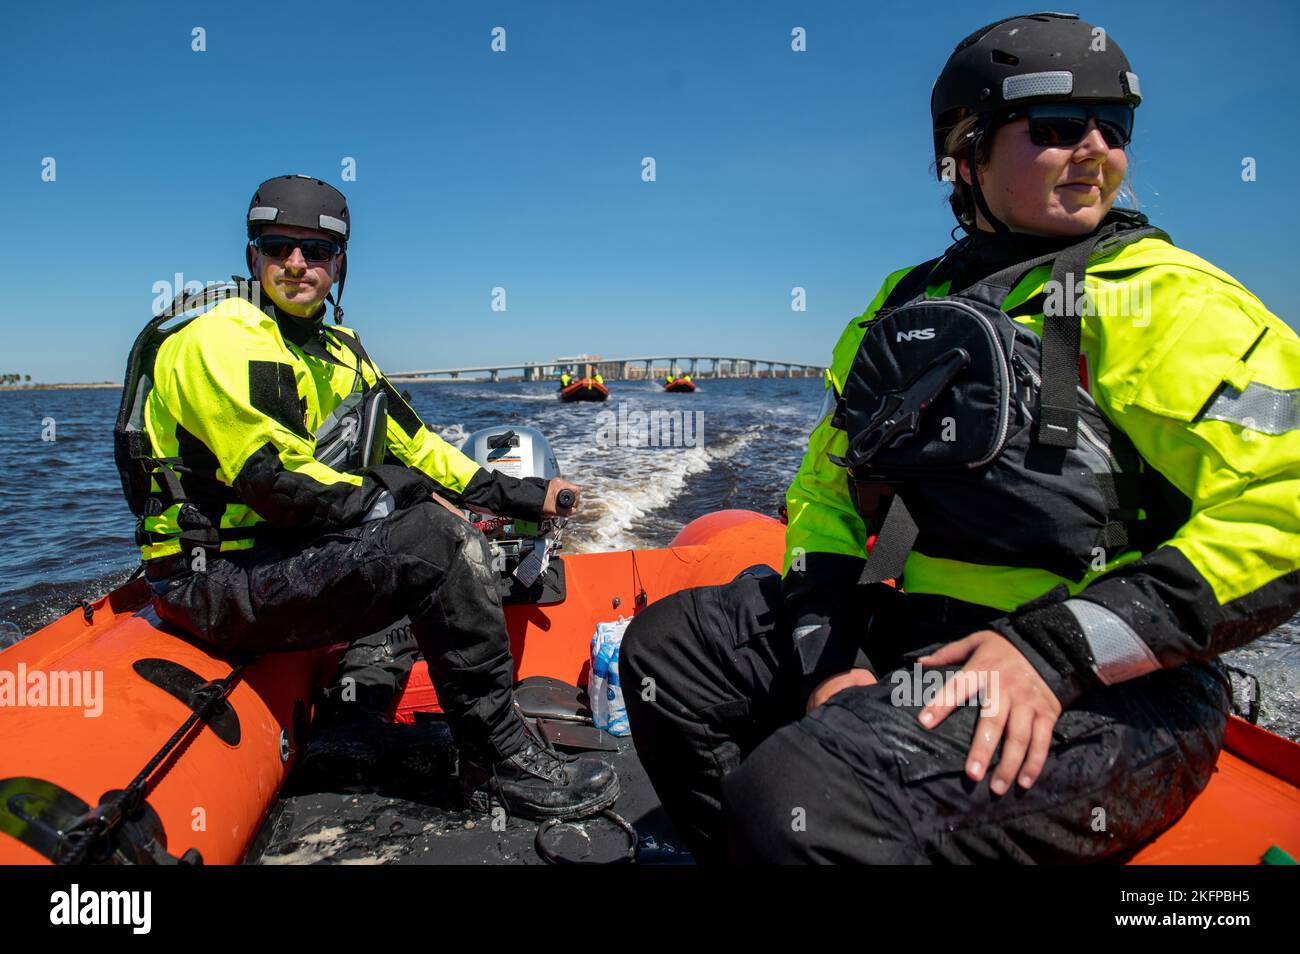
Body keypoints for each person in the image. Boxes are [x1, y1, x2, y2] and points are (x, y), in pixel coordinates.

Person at [621, 13, 1300, 863]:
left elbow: (1287, 501)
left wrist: (1059, 649)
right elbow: (826, 495)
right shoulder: (901, 310)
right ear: (966, 152)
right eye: (1054, 128)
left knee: (801, 793)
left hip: (1114, 683)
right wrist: (833, 651)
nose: (1094, 150)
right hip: (922, 631)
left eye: (1112, 127)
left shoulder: (1166, 300)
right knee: (669, 655)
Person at [135, 174, 618, 820]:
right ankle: (498, 761)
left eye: (318, 251)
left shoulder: (342, 354)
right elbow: (278, 485)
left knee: (414, 532)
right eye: (279, 247)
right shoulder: (219, 341)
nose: (297, 264)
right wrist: (410, 498)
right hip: (215, 577)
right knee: (436, 542)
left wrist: (530, 496)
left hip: (284, 554)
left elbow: (422, 448)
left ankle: (352, 718)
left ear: (340, 264)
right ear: (254, 257)